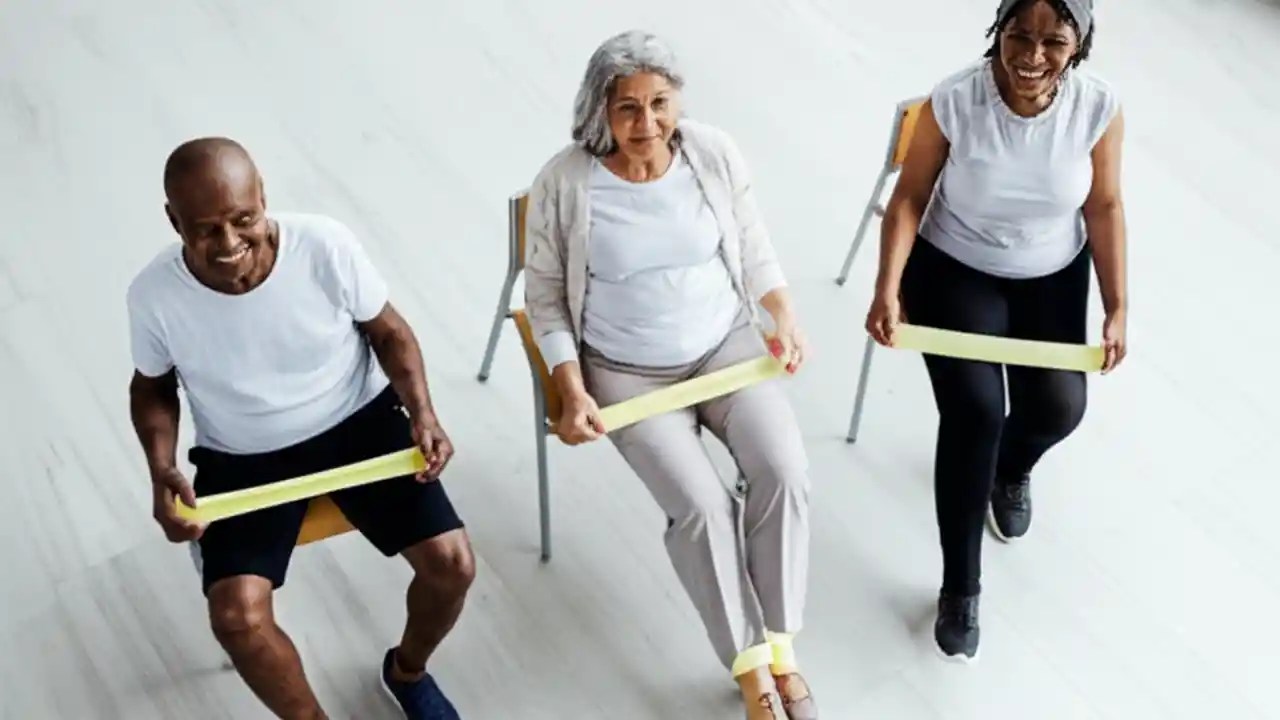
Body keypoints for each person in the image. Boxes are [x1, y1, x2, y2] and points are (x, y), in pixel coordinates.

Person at [126, 137, 475, 720]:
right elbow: (152, 388)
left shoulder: (324, 245)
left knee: (453, 566)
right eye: (206, 230)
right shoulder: (154, 294)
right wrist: (162, 469)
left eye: (244, 219)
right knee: (236, 615)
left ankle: (406, 673)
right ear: (173, 221)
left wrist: (424, 413)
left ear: (264, 196)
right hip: (242, 454)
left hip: (356, 425)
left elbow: (389, 332)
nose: (231, 244)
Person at [523, 30, 817, 720]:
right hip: (627, 374)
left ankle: (781, 645)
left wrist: (783, 315)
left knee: (784, 470)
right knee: (702, 509)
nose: (647, 124)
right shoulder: (565, 181)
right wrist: (570, 387)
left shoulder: (711, 152)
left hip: (726, 347)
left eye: (660, 104)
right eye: (627, 108)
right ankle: (750, 668)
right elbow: (544, 298)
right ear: (599, 109)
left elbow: (752, 247)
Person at [864, 0, 1127, 663]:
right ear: (998, 33)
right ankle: (962, 585)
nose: (1032, 55)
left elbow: (1104, 203)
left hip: (1050, 269)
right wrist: (887, 286)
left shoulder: (1098, 107)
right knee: (976, 413)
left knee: (1060, 407)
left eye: (1054, 41)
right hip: (956, 265)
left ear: (1081, 44)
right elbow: (909, 198)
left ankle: (1008, 470)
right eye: (1019, 36)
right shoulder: (955, 98)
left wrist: (1118, 304)